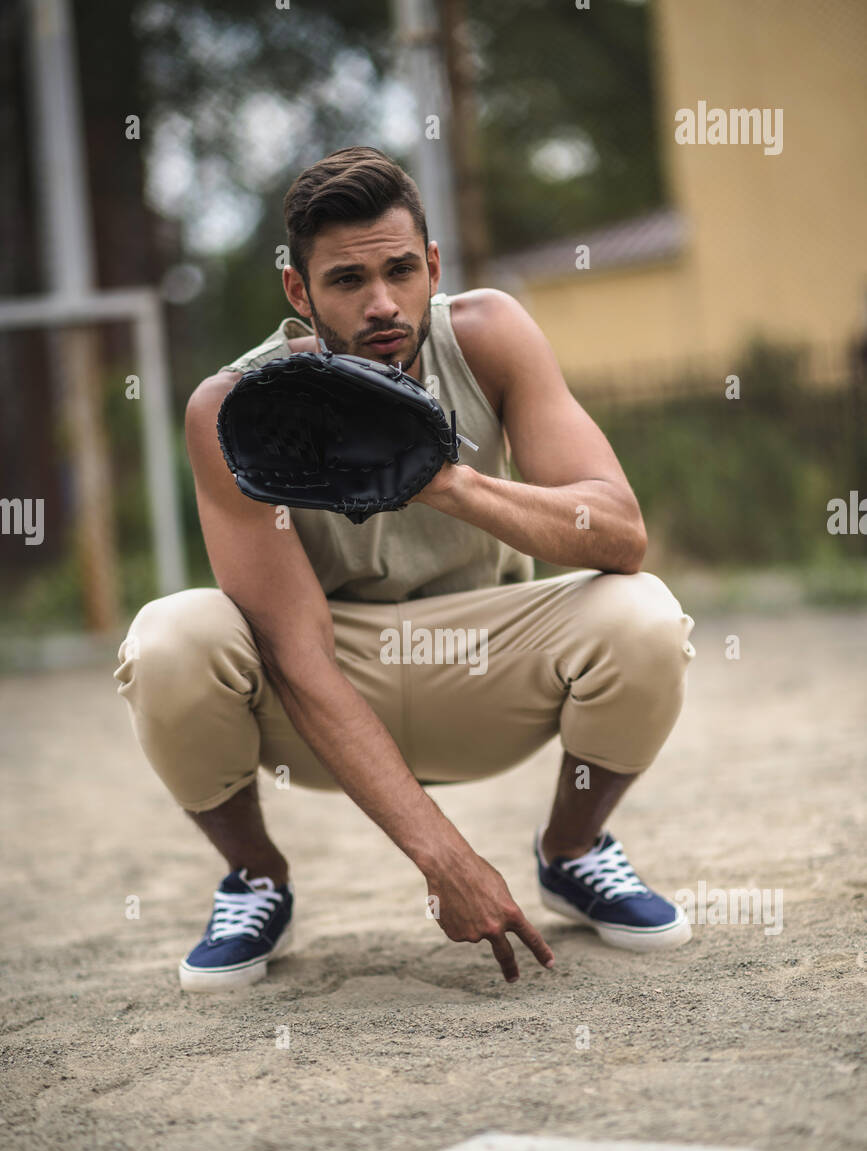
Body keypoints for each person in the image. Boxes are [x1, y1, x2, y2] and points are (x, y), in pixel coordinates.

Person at [114, 145, 697, 992]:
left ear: (431, 266)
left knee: (641, 612)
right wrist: (446, 859)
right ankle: (255, 878)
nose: (382, 303)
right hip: (325, 681)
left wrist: (444, 482)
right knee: (170, 636)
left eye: (399, 270)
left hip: (484, 667)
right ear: (299, 292)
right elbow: (298, 655)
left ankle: (570, 850)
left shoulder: (489, 333)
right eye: (347, 281)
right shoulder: (233, 406)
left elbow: (617, 533)